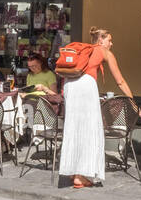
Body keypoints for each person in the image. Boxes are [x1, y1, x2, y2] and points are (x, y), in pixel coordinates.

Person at [58, 27, 136, 189]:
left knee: (74, 128)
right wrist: (132, 101)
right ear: (101, 40)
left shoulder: (84, 51)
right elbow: (120, 81)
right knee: (90, 130)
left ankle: (72, 170)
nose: (111, 43)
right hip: (86, 86)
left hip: (70, 86)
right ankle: (81, 175)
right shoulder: (104, 52)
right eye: (109, 40)